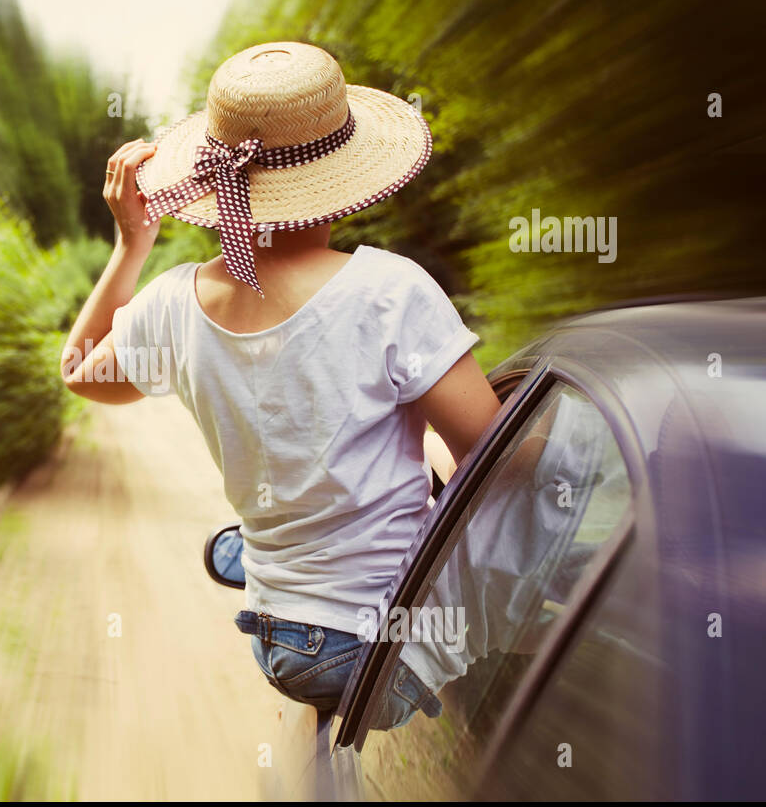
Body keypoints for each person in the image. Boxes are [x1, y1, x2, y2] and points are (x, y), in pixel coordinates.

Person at [59, 41, 501, 728]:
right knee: (532, 479)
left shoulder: (171, 304)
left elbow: (80, 373)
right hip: (369, 646)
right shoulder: (390, 291)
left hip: (280, 640)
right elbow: (504, 463)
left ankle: (251, 554)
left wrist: (131, 246)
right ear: (343, 173)